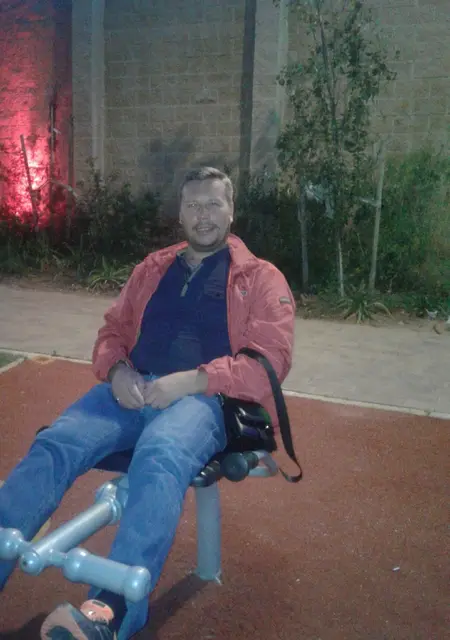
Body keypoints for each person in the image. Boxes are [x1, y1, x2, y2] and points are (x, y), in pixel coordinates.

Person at [0, 167, 296, 639]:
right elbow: (112, 332)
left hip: (204, 401)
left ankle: (110, 611)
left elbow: (269, 363)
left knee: (160, 455)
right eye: (193, 205)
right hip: (132, 391)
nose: (203, 215)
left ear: (232, 211)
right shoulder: (152, 268)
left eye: (214, 204)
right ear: (180, 213)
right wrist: (117, 371)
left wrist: (193, 381)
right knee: (57, 442)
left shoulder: (260, 278)